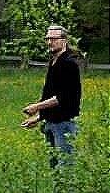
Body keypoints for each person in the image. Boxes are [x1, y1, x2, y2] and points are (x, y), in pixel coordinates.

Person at [21, 25, 82, 167]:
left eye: (54, 39)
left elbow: (62, 98)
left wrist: (36, 107)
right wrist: (38, 118)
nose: (49, 42)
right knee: (54, 167)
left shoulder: (69, 64)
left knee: (65, 166)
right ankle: (58, 190)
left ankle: (67, 190)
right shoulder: (53, 62)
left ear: (64, 40)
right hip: (51, 122)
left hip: (64, 124)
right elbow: (51, 94)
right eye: (48, 39)